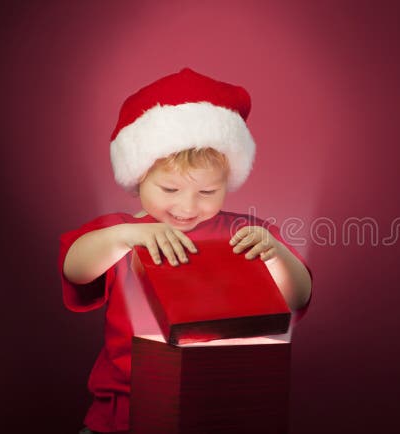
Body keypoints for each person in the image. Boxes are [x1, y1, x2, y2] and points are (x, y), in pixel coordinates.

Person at [59, 68, 312, 434]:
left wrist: (274, 254)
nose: (188, 206)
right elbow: (74, 269)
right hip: (124, 413)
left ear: (228, 183)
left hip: (218, 408)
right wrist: (124, 237)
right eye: (170, 190)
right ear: (139, 176)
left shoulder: (244, 234)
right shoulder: (121, 232)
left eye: (207, 192)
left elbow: (299, 296)